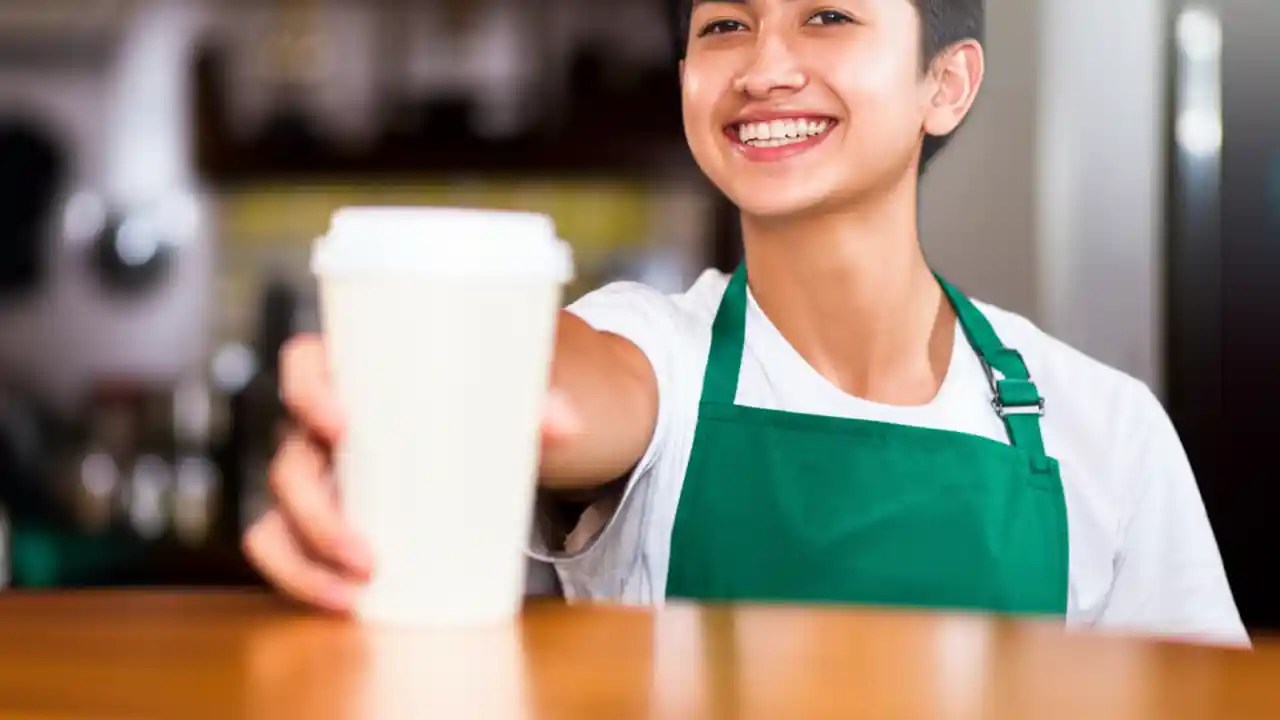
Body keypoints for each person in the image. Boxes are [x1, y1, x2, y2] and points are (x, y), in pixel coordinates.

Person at [243, 0, 1248, 645]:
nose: (763, 67)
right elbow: (554, 384)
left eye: (825, 17)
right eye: (723, 25)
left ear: (943, 84)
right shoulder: (656, 358)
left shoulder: (1103, 431)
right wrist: (394, 402)